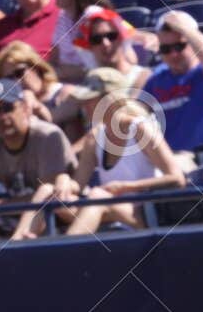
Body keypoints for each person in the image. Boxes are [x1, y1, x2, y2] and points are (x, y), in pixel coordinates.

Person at [0, 78, 77, 244]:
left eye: (8, 108)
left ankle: (8, 251)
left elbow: (49, 195)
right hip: (13, 215)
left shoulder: (47, 136)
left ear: (25, 108)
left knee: (45, 198)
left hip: (59, 215)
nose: (2, 116)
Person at [66, 67, 187, 232]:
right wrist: (63, 183)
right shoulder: (93, 137)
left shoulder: (140, 128)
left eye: (91, 99)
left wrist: (125, 187)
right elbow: (77, 185)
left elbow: (176, 178)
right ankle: (23, 243)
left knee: (98, 198)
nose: (84, 105)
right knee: (51, 196)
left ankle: (61, 255)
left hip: (148, 215)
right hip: (111, 210)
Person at [141, 9, 203, 154]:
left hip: (202, 158)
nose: (173, 54)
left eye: (179, 46)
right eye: (165, 49)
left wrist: (185, 29)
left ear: (192, 42)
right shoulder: (155, 81)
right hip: (168, 163)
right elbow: (136, 116)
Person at [48, 0, 143, 81]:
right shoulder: (62, 17)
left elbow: (129, 58)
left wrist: (71, 71)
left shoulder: (96, 15)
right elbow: (52, 62)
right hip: (74, 85)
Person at [0, 41, 81, 139]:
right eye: (9, 78)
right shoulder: (12, 108)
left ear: (36, 67)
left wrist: (38, 108)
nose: (17, 81)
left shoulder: (65, 93)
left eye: (19, 73)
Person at [76, 9, 151, 93]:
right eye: (96, 39)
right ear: (90, 47)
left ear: (122, 38)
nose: (106, 43)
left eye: (111, 36)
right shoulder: (88, 87)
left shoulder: (145, 79)